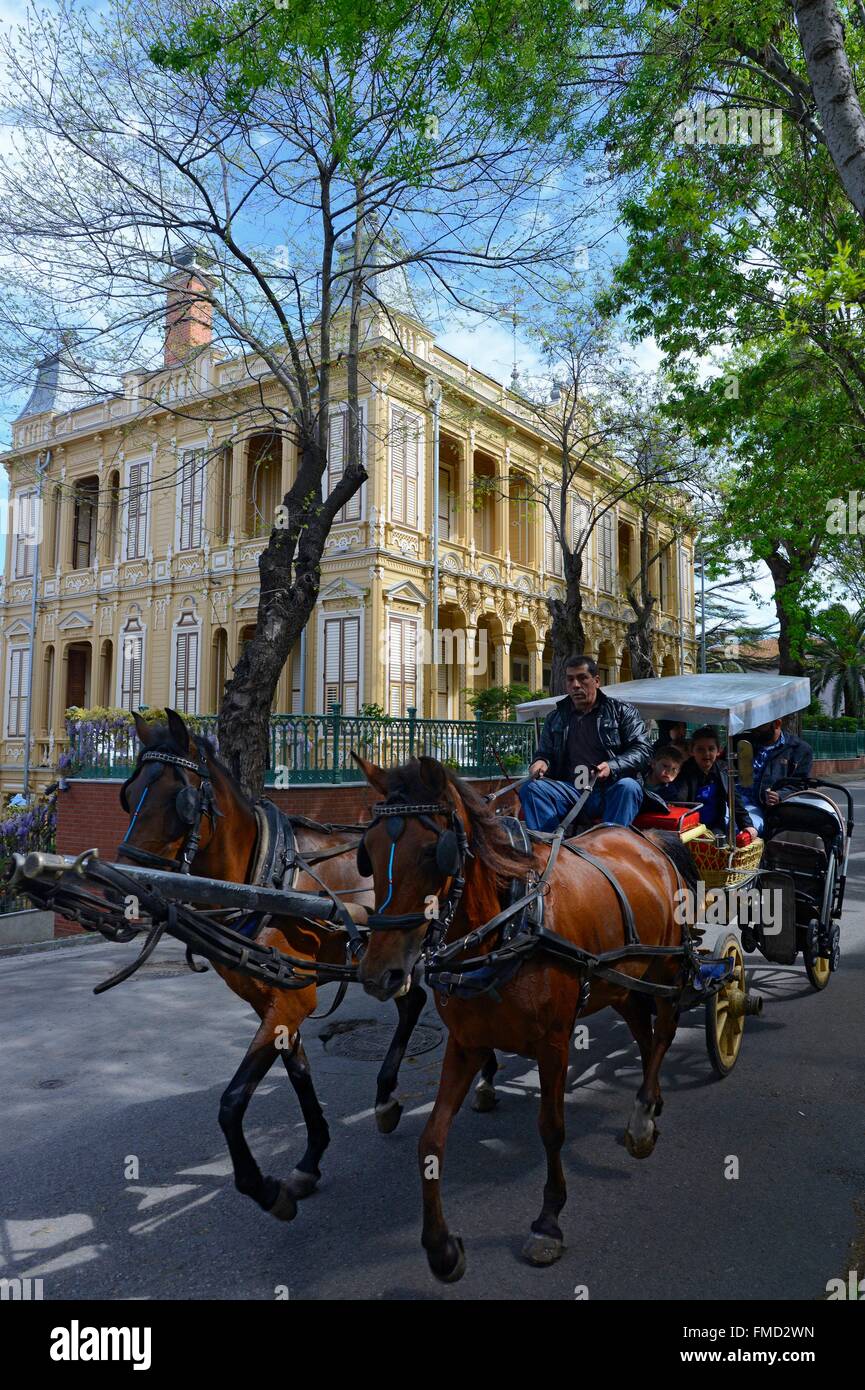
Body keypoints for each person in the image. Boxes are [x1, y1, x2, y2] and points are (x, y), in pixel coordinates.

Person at [518, 654, 653, 832]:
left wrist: (612, 766)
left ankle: (610, 848)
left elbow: (643, 750)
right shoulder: (555, 718)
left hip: (610, 791)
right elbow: (545, 753)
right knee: (532, 788)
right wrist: (540, 762)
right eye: (570, 679)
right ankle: (549, 849)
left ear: (596, 681)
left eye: (582, 678)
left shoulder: (622, 711)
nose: (575, 685)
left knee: (628, 787)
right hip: (570, 791)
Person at [669, 725, 756, 841]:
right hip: (689, 827)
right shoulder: (685, 771)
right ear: (692, 751)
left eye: (711, 749)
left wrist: (747, 825)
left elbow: (734, 800)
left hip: (715, 826)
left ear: (718, 751)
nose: (706, 754)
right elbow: (680, 801)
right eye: (700, 749)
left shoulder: (724, 770)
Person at [736, 719, 814, 835]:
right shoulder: (740, 742)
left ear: (777, 724)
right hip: (731, 802)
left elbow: (800, 784)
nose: (755, 729)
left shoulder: (799, 749)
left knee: (741, 832)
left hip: (759, 809)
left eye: (760, 725)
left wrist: (780, 795)